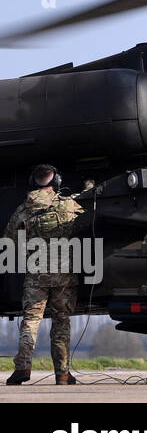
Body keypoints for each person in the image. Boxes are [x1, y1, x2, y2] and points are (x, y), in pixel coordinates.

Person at [4, 164, 83, 385]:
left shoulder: (22, 211)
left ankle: (22, 369)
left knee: (30, 320)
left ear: (32, 182)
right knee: (61, 322)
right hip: (64, 277)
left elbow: (9, 241)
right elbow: (86, 221)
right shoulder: (68, 205)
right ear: (56, 181)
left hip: (36, 275)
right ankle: (63, 374)